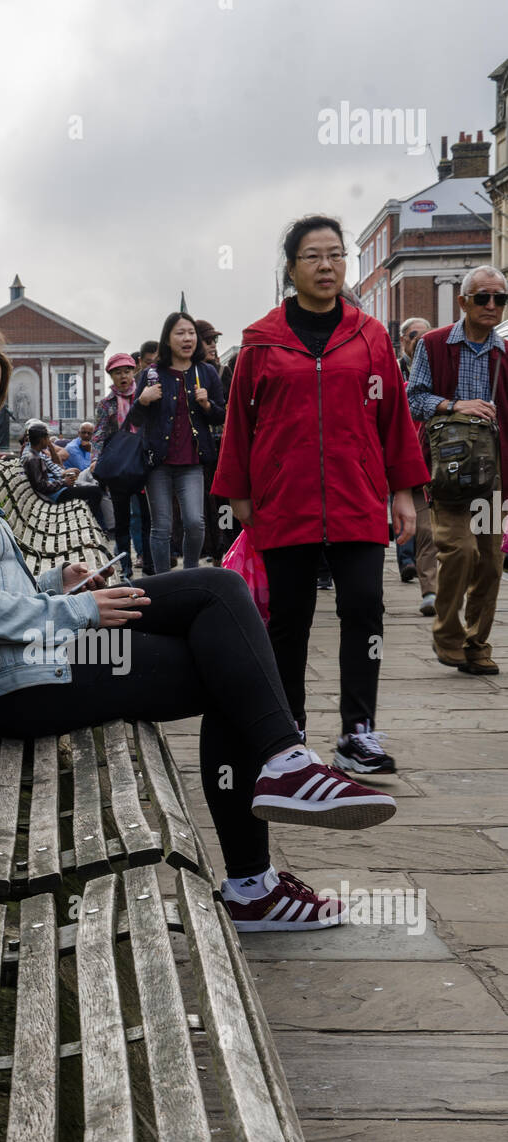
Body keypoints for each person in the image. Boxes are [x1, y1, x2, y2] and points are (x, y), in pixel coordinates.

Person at [0, 314, 397, 932]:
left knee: (216, 590)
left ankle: (282, 772)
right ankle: (256, 873)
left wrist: (62, 583)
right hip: (7, 682)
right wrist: (78, 611)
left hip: (27, 653)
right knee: (228, 668)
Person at [213, 214, 429, 774]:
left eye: (335, 254)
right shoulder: (261, 341)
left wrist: (402, 492)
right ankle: (289, 737)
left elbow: (394, 418)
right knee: (288, 619)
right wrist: (238, 494)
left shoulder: (370, 336)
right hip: (284, 499)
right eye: (313, 255)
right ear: (291, 269)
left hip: (358, 495)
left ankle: (358, 733)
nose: (327, 265)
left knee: (365, 608)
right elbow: (239, 422)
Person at [407, 265, 507, 675]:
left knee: (489, 560)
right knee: (459, 551)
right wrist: (453, 405)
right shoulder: (431, 345)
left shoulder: (505, 353)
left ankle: (477, 644)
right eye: (482, 297)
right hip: (449, 473)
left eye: (499, 298)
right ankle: (448, 634)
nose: (491, 305)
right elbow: (414, 399)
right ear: (463, 301)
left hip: (493, 477)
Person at [127, 312, 226, 573]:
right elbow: (134, 421)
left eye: (191, 333)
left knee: (195, 522)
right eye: (180, 333)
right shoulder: (151, 374)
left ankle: (190, 572)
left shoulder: (206, 372)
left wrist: (206, 404)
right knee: (161, 526)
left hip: (192, 461)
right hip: (158, 462)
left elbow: (221, 414)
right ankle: (163, 581)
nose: (187, 339)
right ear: (168, 339)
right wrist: (143, 400)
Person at [91, 352, 153, 580]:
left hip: (144, 464)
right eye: (118, 372)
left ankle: (149, 563)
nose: (123, 376)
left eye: (127, 370)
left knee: (147, 518)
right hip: (119, 469)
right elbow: (98, 435)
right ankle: (125, 566)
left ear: (134, 371)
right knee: (122, 521)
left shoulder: (145, 396)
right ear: (111, 376)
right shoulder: (106, 404)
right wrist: (95, 460)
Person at [397, 317, 438, 615]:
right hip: (410, 464)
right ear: (404, 340)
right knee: (421, 529)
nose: (421, 340)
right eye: (414, 335)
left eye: (427, 335)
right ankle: (430, 590)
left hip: (444, 461)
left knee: (442, 533)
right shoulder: (394, 372)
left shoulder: (444, 370)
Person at [21, 422, 106, 525]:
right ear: (42, 439)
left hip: (57, 489)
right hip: (55, 494)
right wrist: (64, 482)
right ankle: (91, 524)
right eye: (48, 438)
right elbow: (41, 486)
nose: (49, 441)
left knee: (93, 489)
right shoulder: (33, 458)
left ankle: (93, 523)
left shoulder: (34, 454)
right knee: (96, 491)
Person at [194, 319, 229, 564]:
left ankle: (223, 547)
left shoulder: (222, 371)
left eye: (215, 341)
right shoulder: (189, 373)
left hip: (223, 446)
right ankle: (212, 548)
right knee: (205, 502)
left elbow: (228, 409)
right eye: (208, 341)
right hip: (200, 448)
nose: (213, 346)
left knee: (224, 501)